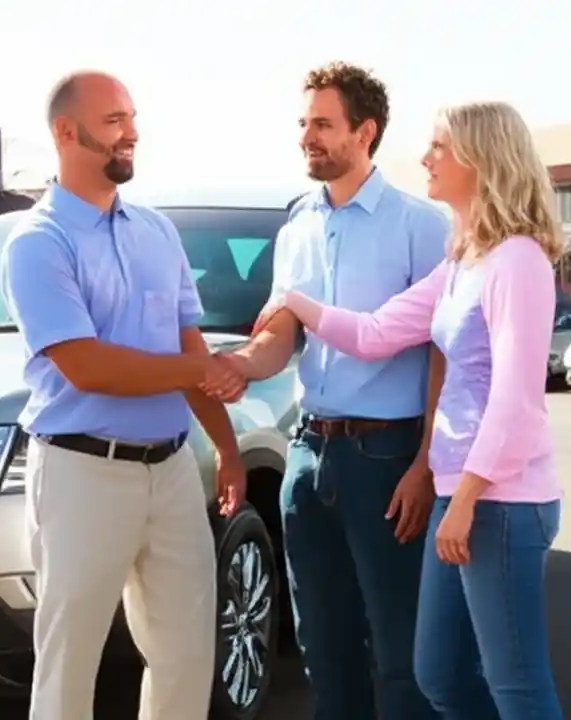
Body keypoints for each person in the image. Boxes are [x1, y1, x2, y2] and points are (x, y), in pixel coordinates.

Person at [266, 100, 566, 720]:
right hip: (464, 496)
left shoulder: (518, 262)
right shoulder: (465, 260)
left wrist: (462, 500)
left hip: (501, 503)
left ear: (482, 160)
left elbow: (515, 402)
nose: (425, 157)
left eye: (439, 147)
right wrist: (296, 302)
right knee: (440, 677)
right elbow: (377, 332)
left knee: (518, 687)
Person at [0, 70, 247, 720]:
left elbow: (187, 344)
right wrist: (200, 371)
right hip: (81, 473)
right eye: (114, 121)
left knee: (186, 654)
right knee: (69, 661)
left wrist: (226, 446)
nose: (131, 133)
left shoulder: (156, 231)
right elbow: (87, 366)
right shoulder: (38, 242)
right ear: (65, 131)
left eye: (132, 118)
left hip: (170, 471)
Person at [215, 62, 449, 720]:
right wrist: (234, 367)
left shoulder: (419, 226)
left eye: (322, 124)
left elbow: (444, 351)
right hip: (308, 455)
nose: (307, 136)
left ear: (364, 131)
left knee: (401, 653)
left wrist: (425, 464)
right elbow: (280, 336)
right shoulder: (296, 231)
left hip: (388, 460)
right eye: (303, 123)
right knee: (324, 646)